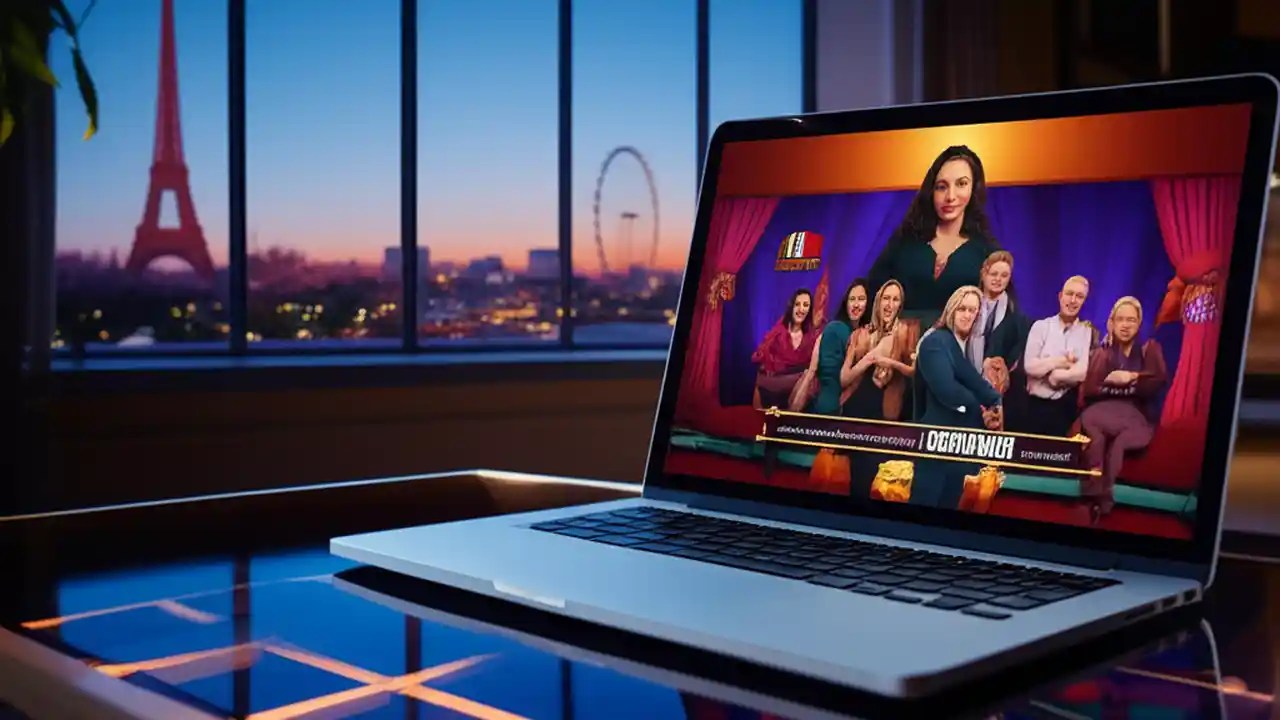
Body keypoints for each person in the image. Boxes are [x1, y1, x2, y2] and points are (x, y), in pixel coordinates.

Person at [868, 145, 1001, 330]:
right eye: (941, 187)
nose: (950, 196)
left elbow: (1002, 314)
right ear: (931, 191)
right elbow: (871, 295)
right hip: (899, 348)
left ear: (974, 189)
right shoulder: (904, 241)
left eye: (961, 184)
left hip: (957, 352)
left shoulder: (987, 250)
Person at [910, 286, 1003, 508]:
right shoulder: (936, 342)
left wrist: (995, 401)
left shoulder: (955, 344)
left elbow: (972, 379)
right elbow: (947, 391)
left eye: (973, 310)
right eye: (962, 308)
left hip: (957, 447)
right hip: (936, 446)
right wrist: (980, 409)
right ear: (951, 310)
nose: (967, 315)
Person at [1080, 297, 1169, 524]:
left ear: (1139, 323)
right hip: (1103, 411)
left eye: (1131, 320)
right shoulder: (1103, 353)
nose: (1125, 325)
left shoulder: (1149, 349)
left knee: (1120, 443)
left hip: (1136, 415)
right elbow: (1091, 388)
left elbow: (1155, 382)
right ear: (1112, 322)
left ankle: (1106, 497)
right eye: (1120, 319)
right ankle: (1092, 496)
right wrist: (1115, 384)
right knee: (1096, 436)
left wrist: (1129, 378)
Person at [842, 280, 918, 498]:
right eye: (886, 298)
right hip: (858, 410)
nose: (889, 304)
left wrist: (889, 361)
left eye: (895, 300)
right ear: (878, 302)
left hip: (887, 415)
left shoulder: (905, 332)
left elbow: (914, 371)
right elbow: (844, 379)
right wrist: (867, 360)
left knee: (878, 477)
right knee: (859, 477)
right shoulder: (861, 335)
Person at [798, 279, 869, 491]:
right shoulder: (837, 329)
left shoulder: (865, 332)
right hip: (830, 410)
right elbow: (833, 382)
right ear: (845, 303)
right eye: (852, 299)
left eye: (862, 299)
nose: (856, 304)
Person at [1022, 275, 1093, 437]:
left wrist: (1056, 376)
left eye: (1079, 296)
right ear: (1060, 296)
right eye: (1069, 294)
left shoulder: (1086, 332)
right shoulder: (1040, 327)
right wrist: (1060, 361)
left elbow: (1082, 371)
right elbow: (1030, 366)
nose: (1073, 300)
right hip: (1035, 406)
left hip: (1065, 408)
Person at [967, 251, 1031, 430]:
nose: (998, 279)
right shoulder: (967, 305)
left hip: (997, 388)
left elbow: (1016, 353)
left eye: (1004, 275)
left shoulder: (1015, 317)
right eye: (994, 274)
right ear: (984, 274)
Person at [752, 288, 819, 409]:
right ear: (791, 307)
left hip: (796, 391)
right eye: (797, 304)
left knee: (809, 377)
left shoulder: (811, 337)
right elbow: (762, 362)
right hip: (772, 389)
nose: (801, 309)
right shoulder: (778, 333)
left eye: (806, 305)